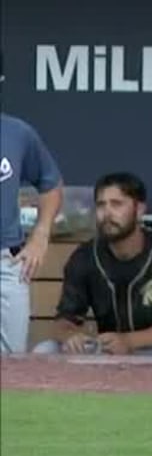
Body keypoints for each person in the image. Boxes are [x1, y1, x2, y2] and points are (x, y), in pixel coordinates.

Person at [32, 172, 152, 357]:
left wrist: (128, 341)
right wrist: (71, 336)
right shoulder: (84, 256)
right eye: (101, 205)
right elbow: (63, 321)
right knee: (46, 349)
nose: (107, 213)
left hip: (151, 349)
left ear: (139, 210)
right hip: (107, 349)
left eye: (117, 204)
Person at [0, 51, 64, 355]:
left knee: (12, 364)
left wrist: (40, 235)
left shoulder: (17, 133)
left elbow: (50, 184)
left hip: (5, 263)